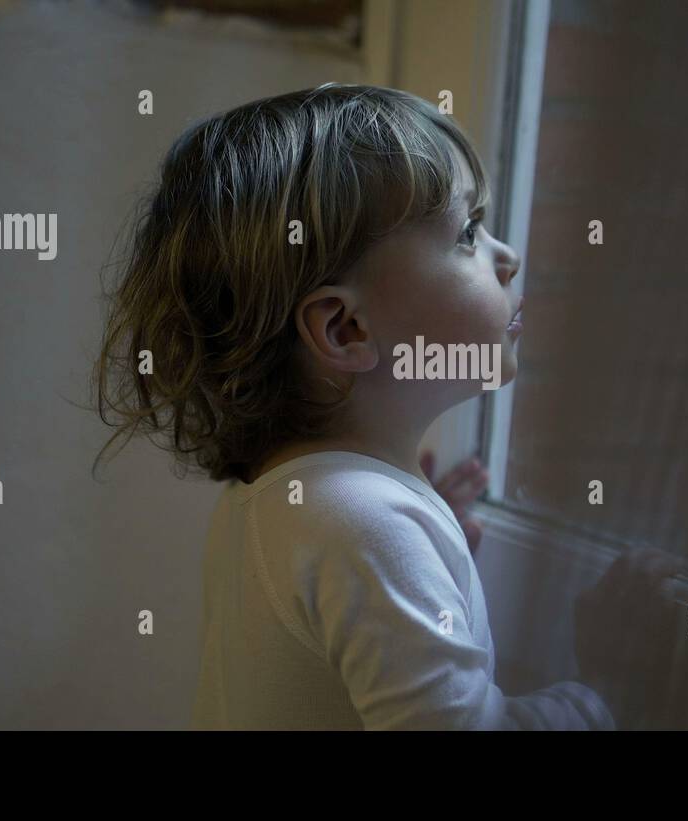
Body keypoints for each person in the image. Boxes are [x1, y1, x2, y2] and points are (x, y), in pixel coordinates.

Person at [94, 83, 614, 730]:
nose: (506, 257)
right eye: (468, 233)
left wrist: (424, 550)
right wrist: (607, 691)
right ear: (344, 330)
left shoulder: (278, 503)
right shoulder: (365, 525)